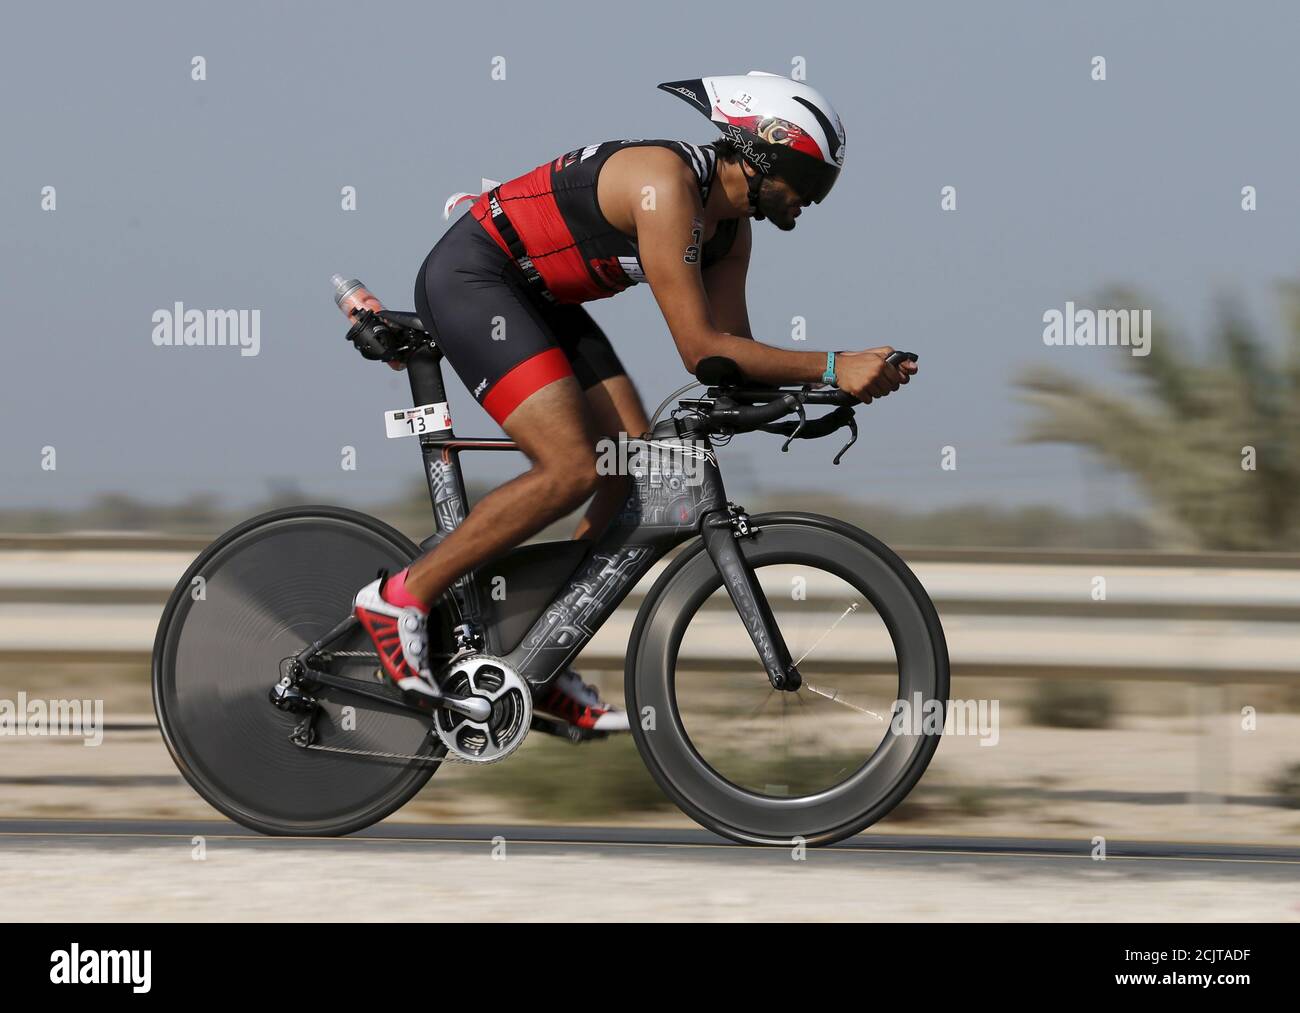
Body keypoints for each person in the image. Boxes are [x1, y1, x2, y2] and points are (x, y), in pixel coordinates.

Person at [353, 72, 917, 734]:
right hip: (477, 278)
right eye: (810, 181)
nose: (813, 201)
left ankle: (537, 650)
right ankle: (400, 599)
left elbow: (733, 356)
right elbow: (702, 350)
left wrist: (830, 385)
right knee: (571, 468)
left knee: (626, 470)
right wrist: (830, 363)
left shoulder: (731, 231)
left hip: (540, 300)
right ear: (765, 154)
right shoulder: (667, 185)